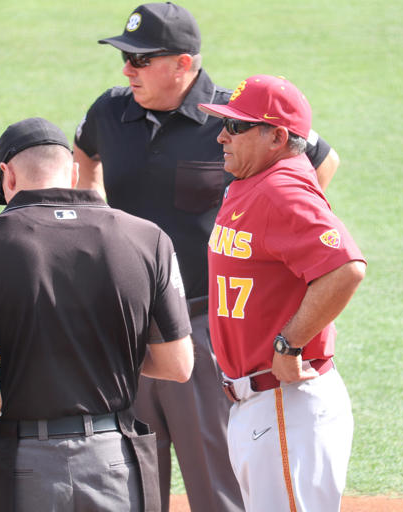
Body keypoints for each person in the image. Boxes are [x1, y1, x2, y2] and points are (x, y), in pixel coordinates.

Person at [73, 4, 340, 510]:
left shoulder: (234, 119)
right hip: (124, 325)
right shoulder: (110, 110)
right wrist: (92, 212)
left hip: (202, 323)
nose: (127, 69)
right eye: (125, 58)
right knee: (128, 478)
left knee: (217, 482)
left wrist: (266, 231)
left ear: (183, 63)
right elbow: (83, 153)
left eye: (141, 59)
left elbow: (321, 162)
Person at [0, 117, 194, 512]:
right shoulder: (148, 238)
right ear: (74, 172)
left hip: (18, 466)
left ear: (7, 176)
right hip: (114, 461)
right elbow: (178, 365)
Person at [198, 74, 367, 512]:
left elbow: (346, 268)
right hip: (260, 407)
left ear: (276, 136)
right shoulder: (251, 183)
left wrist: (288, 345)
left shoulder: (281, 190)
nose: (221, 136)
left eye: (235, 126)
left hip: (283, 404)